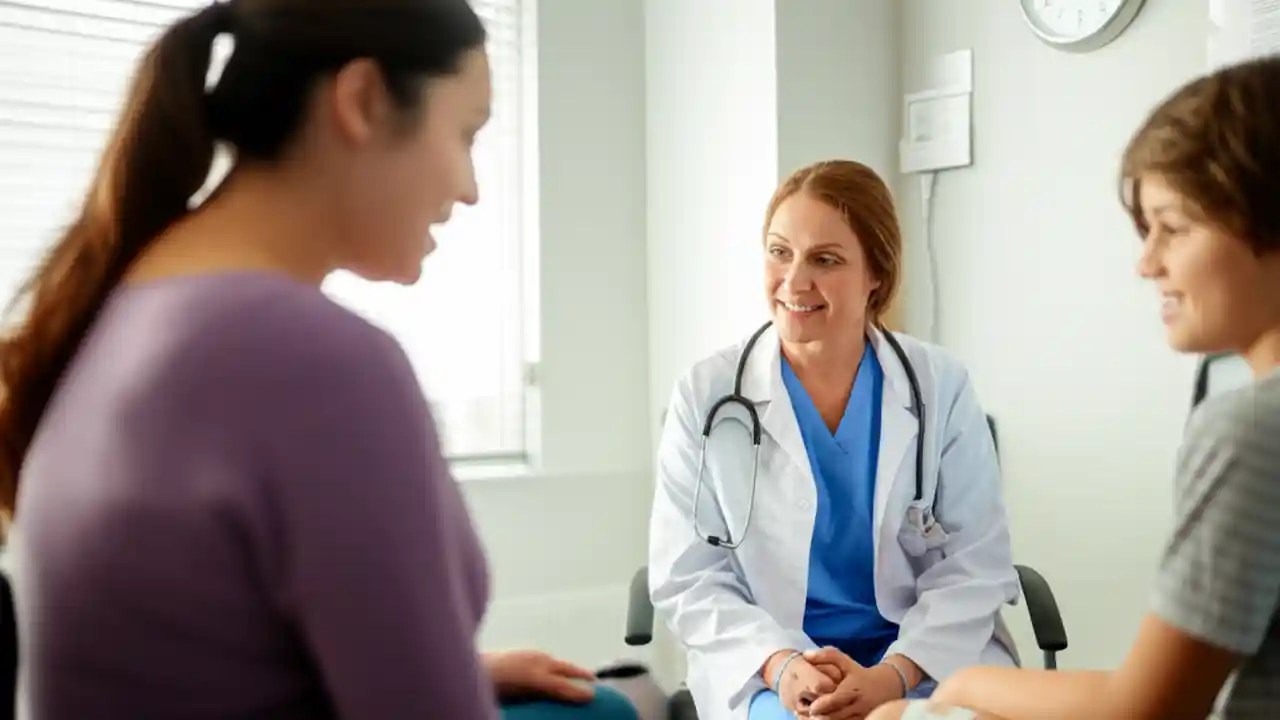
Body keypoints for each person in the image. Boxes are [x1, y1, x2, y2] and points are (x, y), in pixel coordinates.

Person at [0, 2, 634, 719]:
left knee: (590, 704)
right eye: (465, 134)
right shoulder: (315, 363)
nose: (470, 186)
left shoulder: (125, 309)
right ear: (361, 101)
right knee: (604, 710)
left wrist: (463, 668)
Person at [868, 55, 1280, 720]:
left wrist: (960, 687)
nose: (1147, 263)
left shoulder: (1254, 431)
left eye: (1172, 228)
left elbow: (1146, 709)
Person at [647, 159, 1022, 720]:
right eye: (779, 252)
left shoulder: (940, 386)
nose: (795, 281)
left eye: (825, 260)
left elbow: (974, 566)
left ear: (877, 273)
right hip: (776, 672)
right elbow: (689, 576)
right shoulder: (706, 395)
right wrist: (780, 663)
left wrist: (893, 676)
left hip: (925, 663)